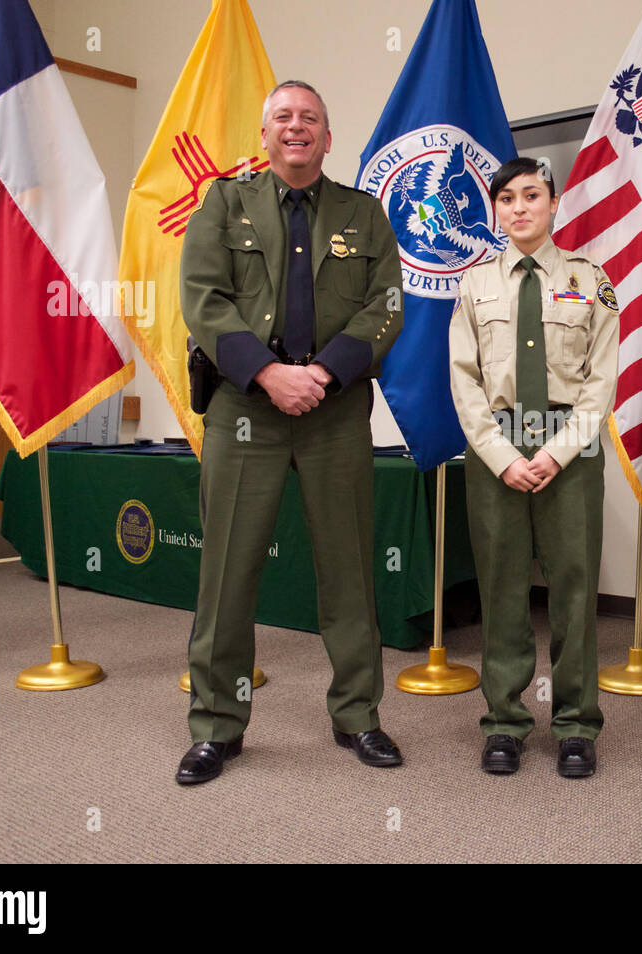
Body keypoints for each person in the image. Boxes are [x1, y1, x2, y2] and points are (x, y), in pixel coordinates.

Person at [175, 80, 404, 784]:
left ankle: (358, 716)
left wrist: (325, 374)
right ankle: (218, 725)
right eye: (283, 117)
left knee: (348, 570)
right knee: (228, 573)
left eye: (310, 118)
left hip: (334, 413)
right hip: (246, 412)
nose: (296, 127)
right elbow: (203, 301)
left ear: (328, 138)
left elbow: (386, 306)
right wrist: (270, 375)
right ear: (265, 133)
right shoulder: (223, 203)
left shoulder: (364, 215)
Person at [449, 157, 619, 778]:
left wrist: (554, 450)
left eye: (532, 195)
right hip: (495, 448)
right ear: (496, 211)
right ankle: (504, 723)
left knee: (573, 592)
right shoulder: (474, 287)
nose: (519, 207)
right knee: (501, 590)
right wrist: (500, 455)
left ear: (553, 203)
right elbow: (464, 382)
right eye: (507, 199)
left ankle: (576, 725)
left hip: (567, 449)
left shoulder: (590, 280)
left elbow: (601, 382)